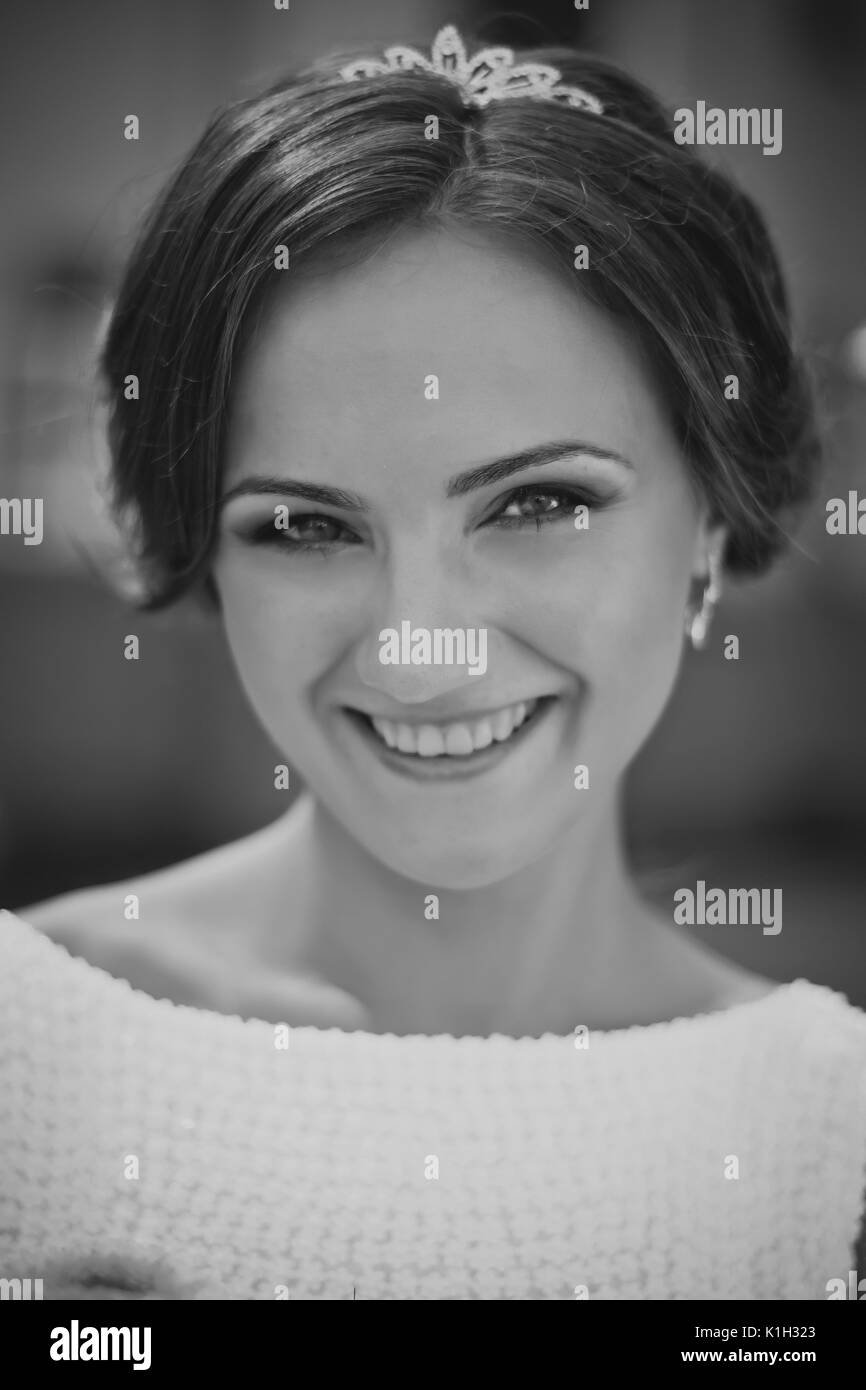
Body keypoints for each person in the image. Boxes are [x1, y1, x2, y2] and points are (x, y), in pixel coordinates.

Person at [2, 24, 864, 1301]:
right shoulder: (29, 1051)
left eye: (535, 504)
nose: (418, 651)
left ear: (713, 520)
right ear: (203, 550)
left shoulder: (829, 1132)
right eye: (305, 525)